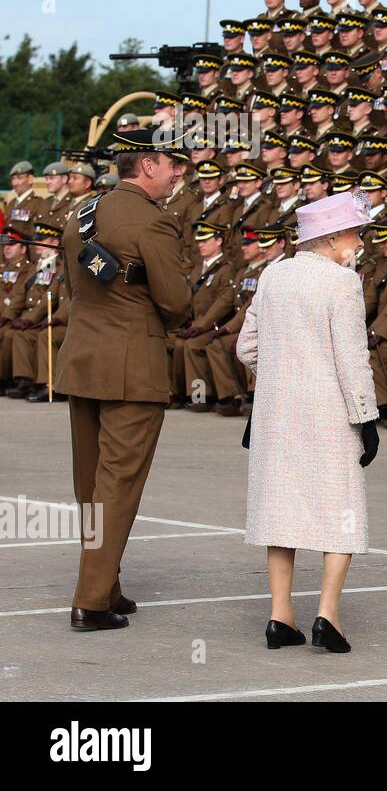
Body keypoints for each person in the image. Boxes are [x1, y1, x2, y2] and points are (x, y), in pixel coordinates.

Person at [54, 128, 191, 631]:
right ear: (148, 166)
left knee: (90, 483)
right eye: (172, 162)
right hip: (133, 368)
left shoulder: (82, 213)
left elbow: (74, 287)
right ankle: (90, 602)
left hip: (84, 360)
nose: (179, 171)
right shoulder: (154, 223)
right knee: (119, 484)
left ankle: (106, 584)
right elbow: (176, 304)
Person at [236, 190, 380, 653]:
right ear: (333, 236)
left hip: (275, 414)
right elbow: (352, 358)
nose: (360, 243)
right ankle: (327, 616)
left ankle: (280, 616)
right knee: (340, 511)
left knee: (282, 511)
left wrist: (280, 374)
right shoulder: (341, 283)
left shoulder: (272, 273)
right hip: (329, 414)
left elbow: (246, 348)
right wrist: (366, 417)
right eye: (356, 234)